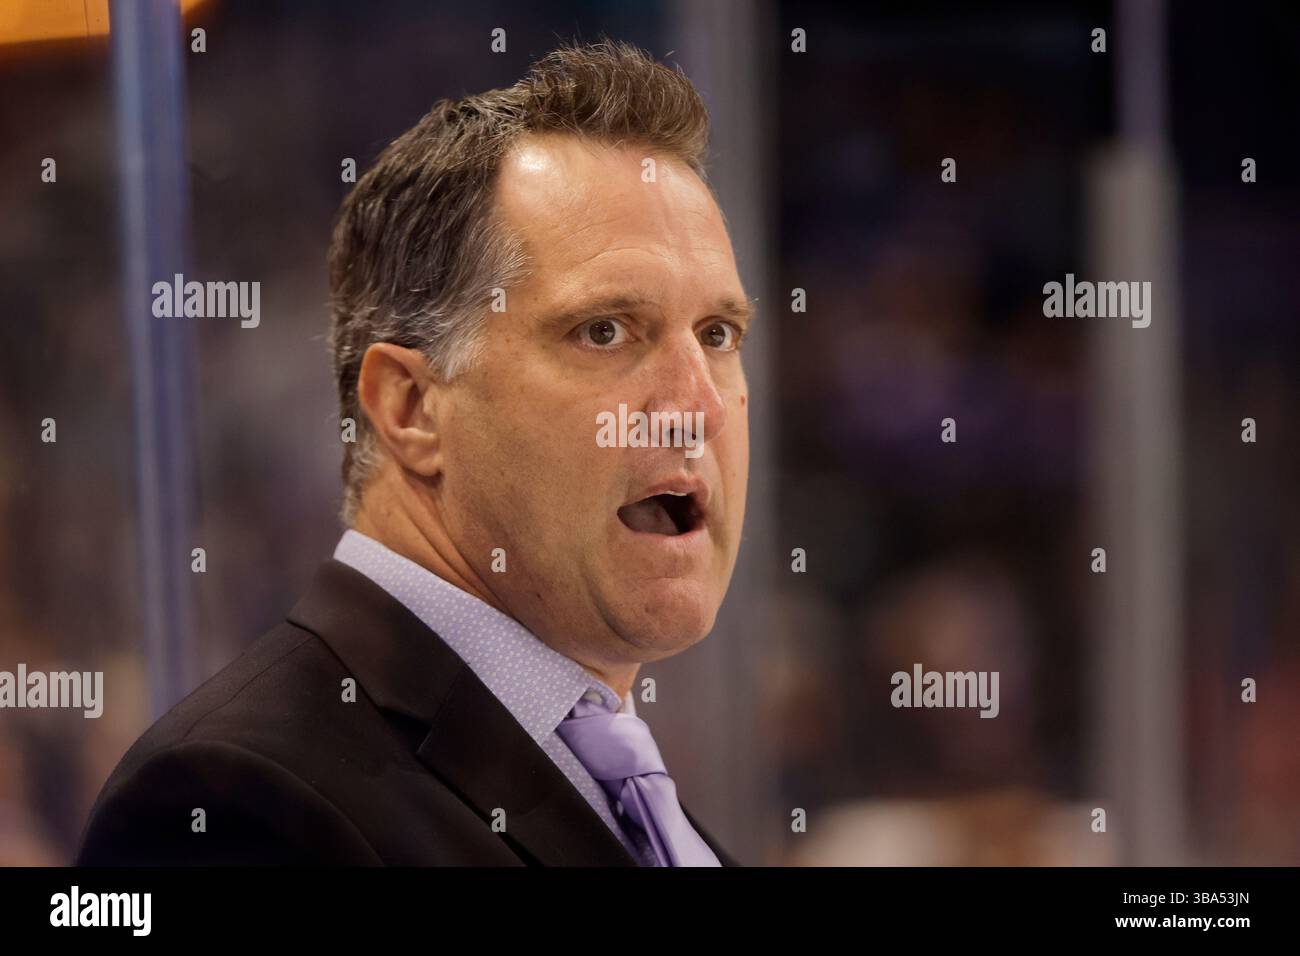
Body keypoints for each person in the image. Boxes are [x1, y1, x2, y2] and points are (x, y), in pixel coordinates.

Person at [77, 40, 751, 866]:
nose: (699, 408)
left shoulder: (624, 790)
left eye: (718, 334)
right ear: (411, 409)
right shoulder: (231, 805)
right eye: (605, 331)